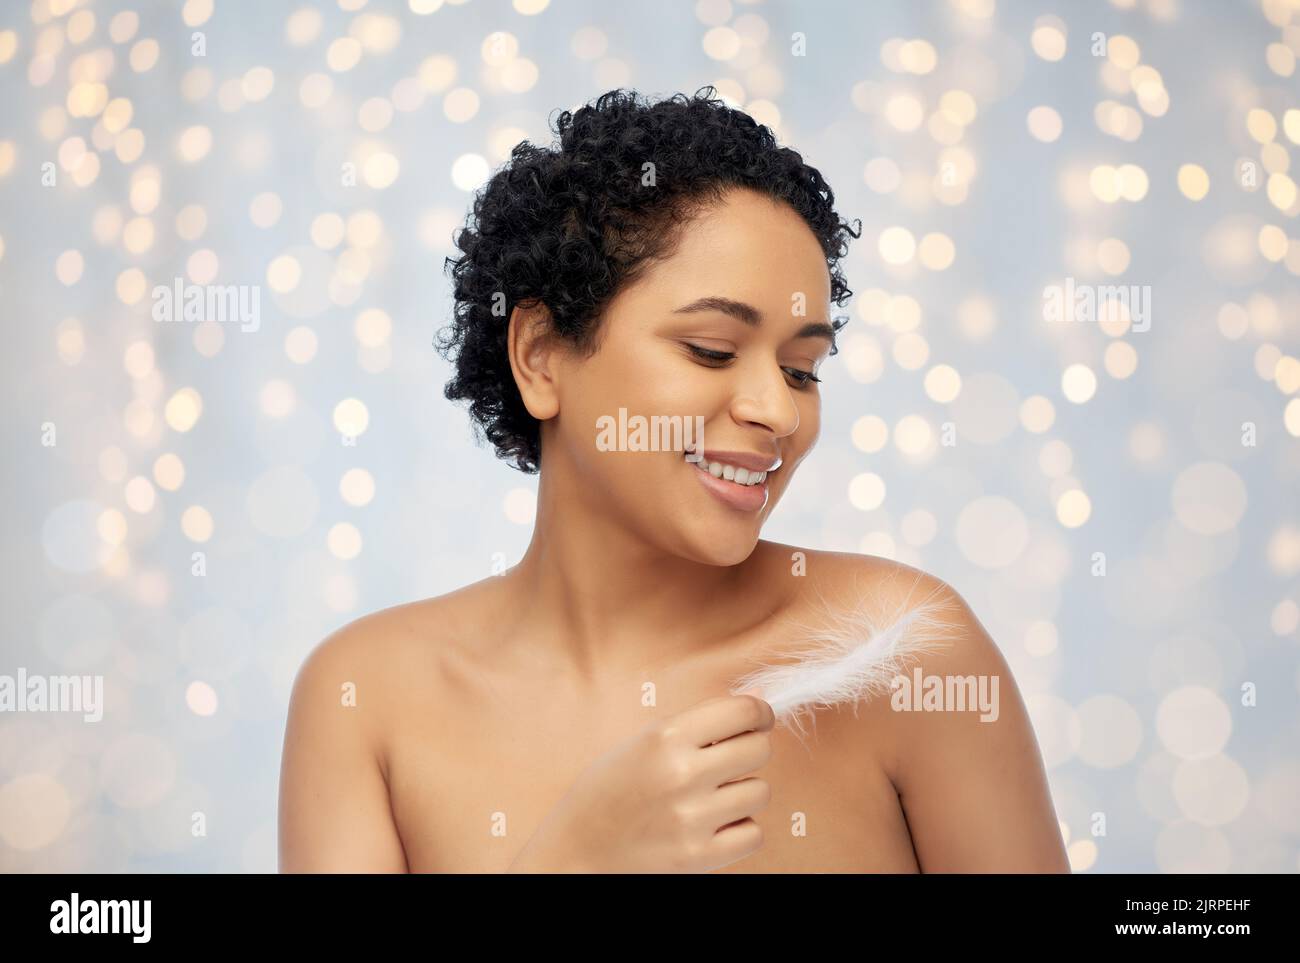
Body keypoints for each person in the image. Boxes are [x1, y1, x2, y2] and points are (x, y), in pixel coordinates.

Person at [278, 87, 1069, 873]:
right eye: (712, 350)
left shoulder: (901, 651)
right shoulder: (366, 700)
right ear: (541, 353)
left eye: (801, 369)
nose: (777, 412)